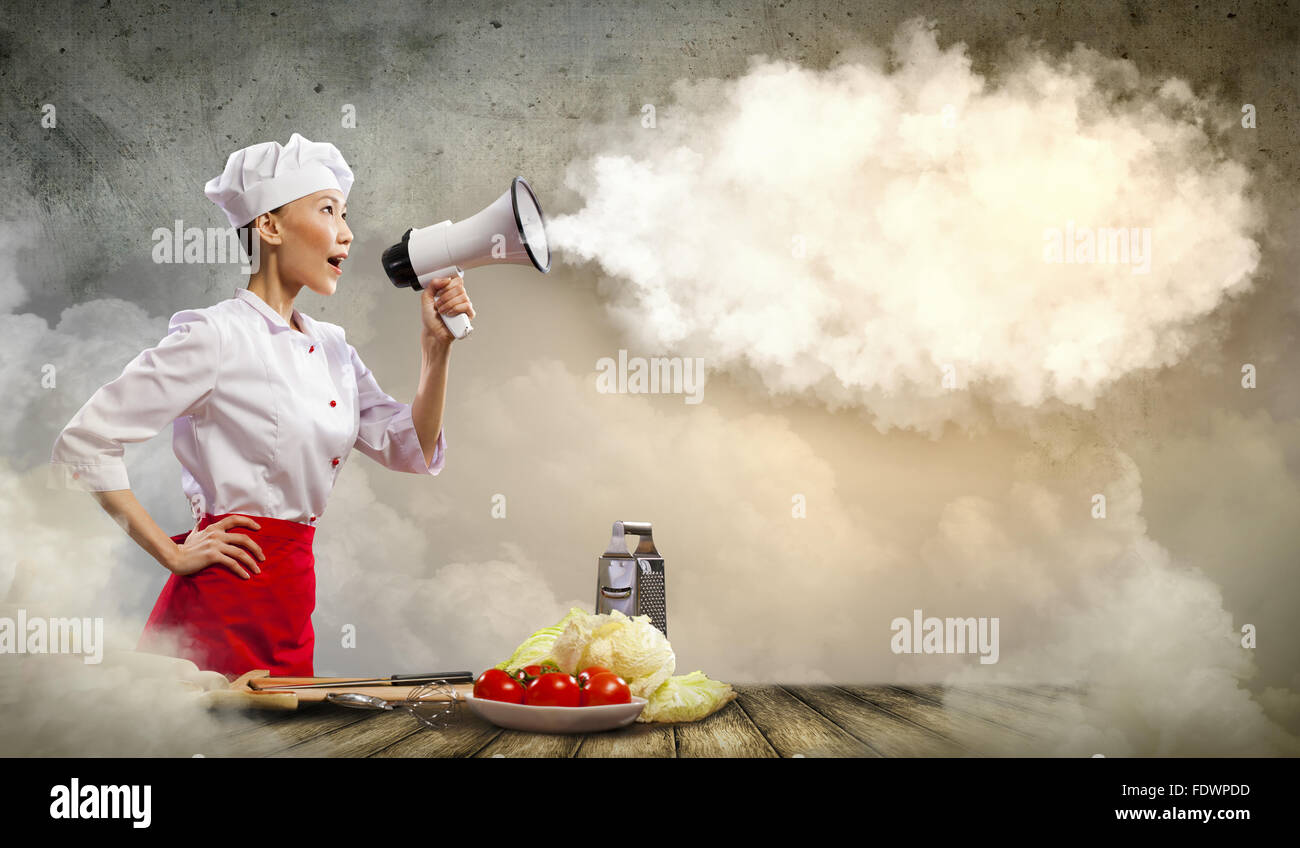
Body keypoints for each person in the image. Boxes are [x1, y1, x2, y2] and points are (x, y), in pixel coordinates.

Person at [47, 133, 474, 679]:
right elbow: (85, 442)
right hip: (220, 610)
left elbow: (409, 448)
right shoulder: (216, 336)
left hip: (292, 605)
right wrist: (173, 554)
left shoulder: (334, 347)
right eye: (327, 211)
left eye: (346, 215)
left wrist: (435, 352)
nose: (346, 233)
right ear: (268, 226)